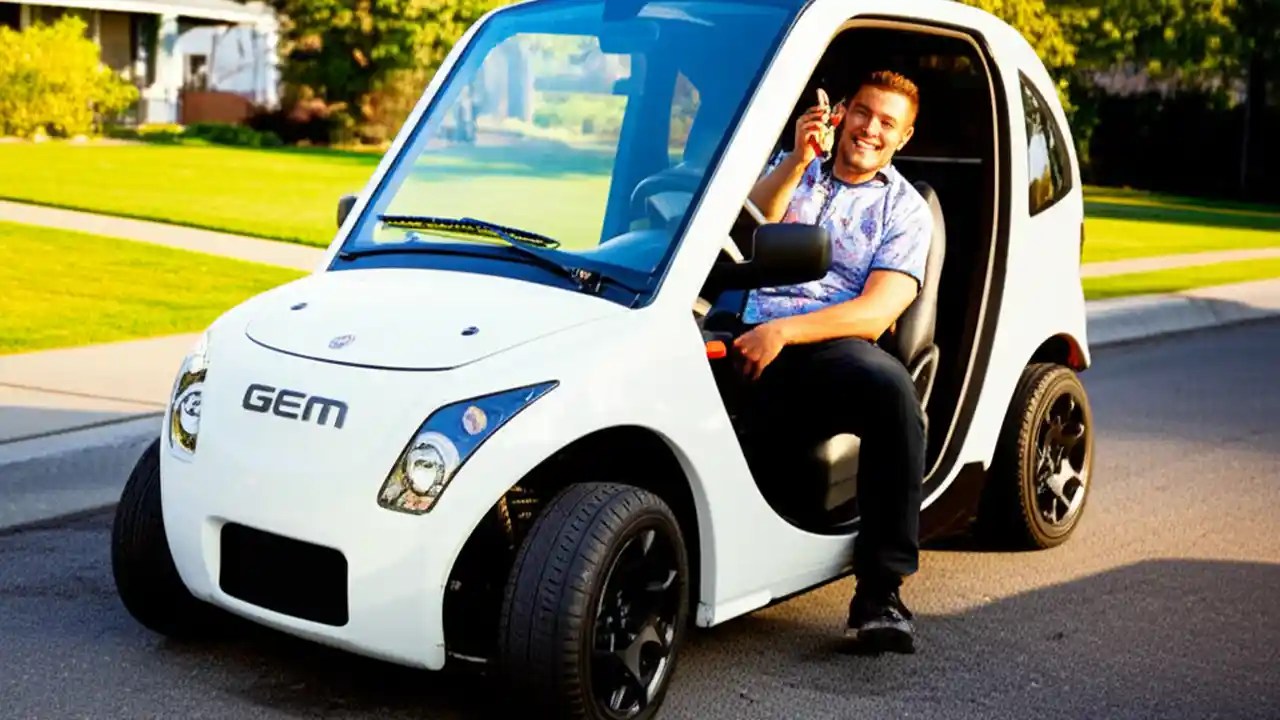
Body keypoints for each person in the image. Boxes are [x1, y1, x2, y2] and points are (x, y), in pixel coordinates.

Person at [734, 70, 932, 653]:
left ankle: (880, 592)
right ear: (841, 112)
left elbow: (875, 313)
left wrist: (784, 332)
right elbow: (740, 231)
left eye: (887, 122)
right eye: (863, 112)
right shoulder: (790, 166)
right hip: (743, 324)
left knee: (891, 390)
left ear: (905, 136)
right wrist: (796, 161)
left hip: (827, 345)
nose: (870, 128)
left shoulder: (905, 210)